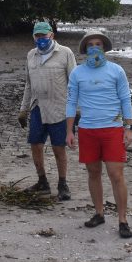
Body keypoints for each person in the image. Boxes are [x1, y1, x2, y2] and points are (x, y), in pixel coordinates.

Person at [65, 31, 132, 239]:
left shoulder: (116, 70)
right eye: (90, 45)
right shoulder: (77, 73)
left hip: (112, 128)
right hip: (87, 129)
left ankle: (123, 220)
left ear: (104, 47)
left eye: (98, 44)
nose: (94, 47)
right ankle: (99, 213)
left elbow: (125, 98)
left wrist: (128, 128)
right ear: (85, 49)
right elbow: (71, 102)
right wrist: (69, 131)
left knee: (116, 174)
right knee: (93, 172)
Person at [18, 20, 77, 201]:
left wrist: (76, 110)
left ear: (51, 35)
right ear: (33, 37)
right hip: (37, 107)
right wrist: (23, 110)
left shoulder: (65, 53)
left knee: (59, 148)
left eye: (44, 35)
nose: (41, 38)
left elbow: (74, 83)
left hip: (60, 108)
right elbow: (28, 84)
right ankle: (42, 181)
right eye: (37, 35)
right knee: (35, 145)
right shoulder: (31, 55)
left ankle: (63, 184)